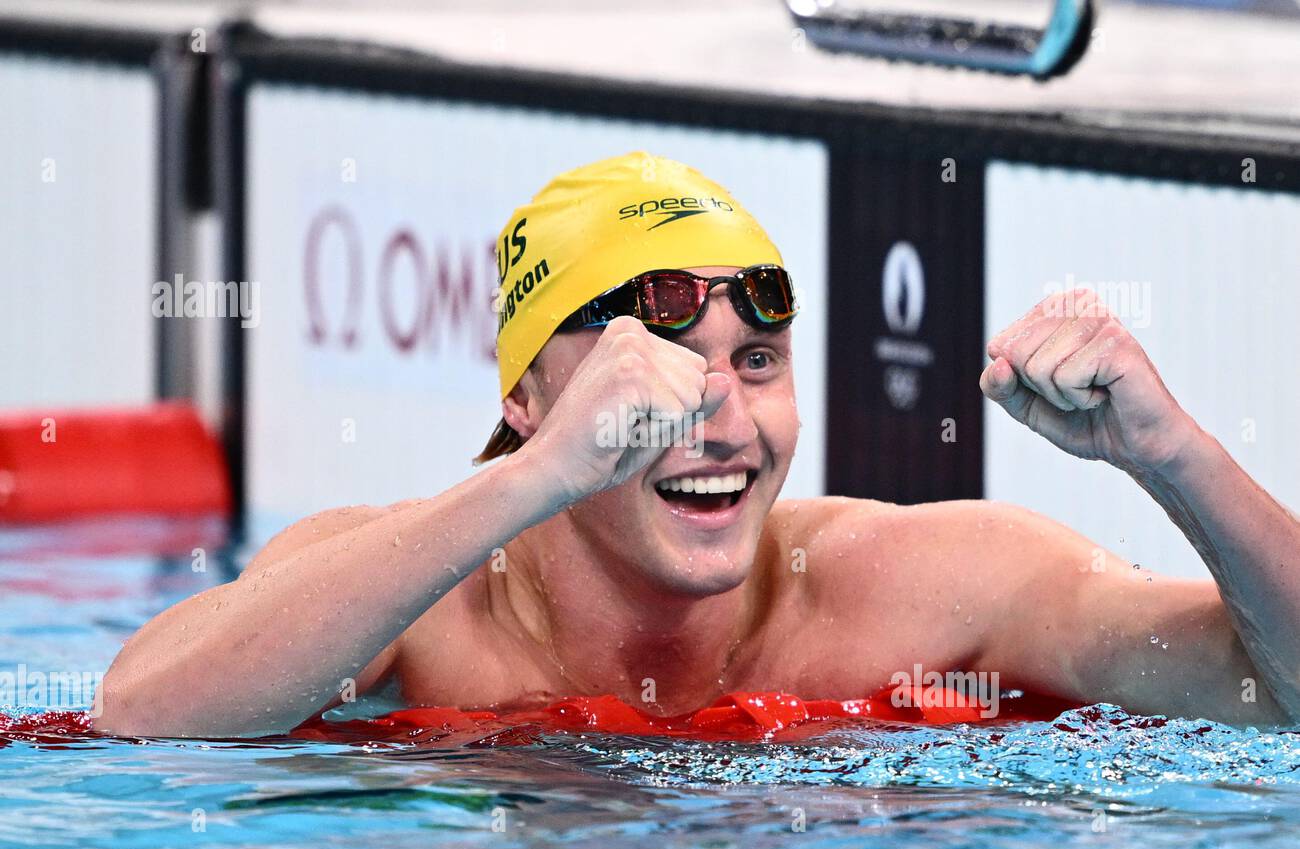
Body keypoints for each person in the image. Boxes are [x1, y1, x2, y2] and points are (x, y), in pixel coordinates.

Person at [97, 152, 1300, 738]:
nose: (718, 414)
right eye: (656, 372)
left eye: (757, 362)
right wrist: (538, 476)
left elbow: (1278, 693)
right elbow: (140, 717)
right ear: (528, 393)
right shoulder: (415, 602)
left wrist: (1173, 452)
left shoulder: (917, 585)